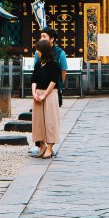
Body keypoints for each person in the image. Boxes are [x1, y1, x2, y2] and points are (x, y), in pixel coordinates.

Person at [30, 27, 68, 156]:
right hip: (39, 91)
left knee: (51, 119)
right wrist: (34, 93)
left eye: (44, 36)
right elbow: (34, 77)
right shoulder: (38, 60)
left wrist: (58, 88)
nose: (42, 38)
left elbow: (60, 75)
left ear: (52, 39)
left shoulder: (58, 55)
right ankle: (41, 145)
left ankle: (50, 147)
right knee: (38, 121)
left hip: (51, 91)